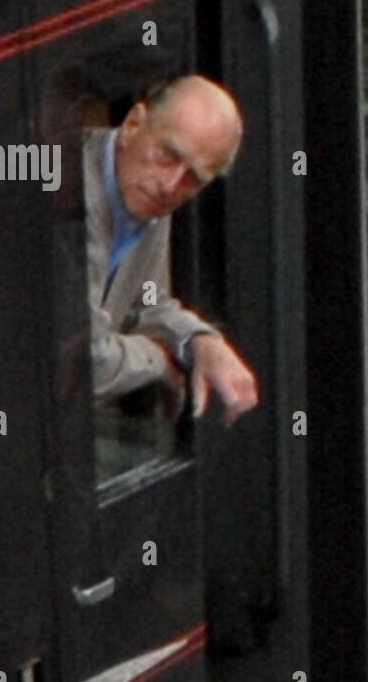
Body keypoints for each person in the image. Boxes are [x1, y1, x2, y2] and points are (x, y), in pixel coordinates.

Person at [83, 75, 258, 427]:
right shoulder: (71, 196)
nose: (170, 185)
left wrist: (198, 341)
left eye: (194, 178)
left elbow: (146, 302)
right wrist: (160, 360)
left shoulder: (144, 190)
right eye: (168, 155)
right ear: (133, 124)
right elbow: (82, 360)